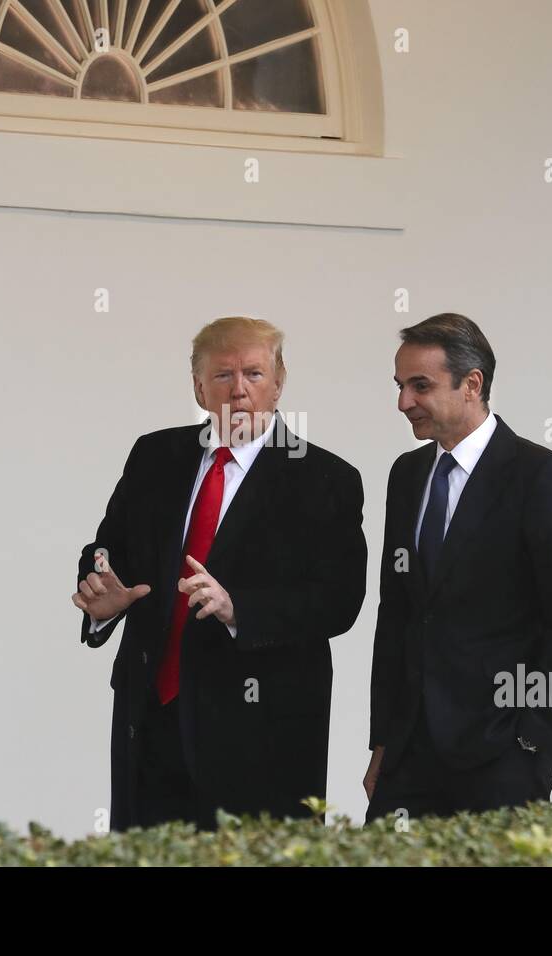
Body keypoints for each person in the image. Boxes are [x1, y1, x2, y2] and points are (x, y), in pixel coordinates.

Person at [73, 316, 366, 831]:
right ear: (198, 387)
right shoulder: (154, 455)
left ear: (279, 382)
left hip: (262, 736)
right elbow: (106, 549)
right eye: (223, 375)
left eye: (254, 373)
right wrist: (102, 592)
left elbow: (339, 599)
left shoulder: (326, 478)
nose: (240, 390)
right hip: (153, 722)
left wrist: (239, 610)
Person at [364, 313, 552, 823]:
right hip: (407, 757)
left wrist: (537, 742)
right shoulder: (406, 475)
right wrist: (382, 739)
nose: (404, 402)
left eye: (420, 385)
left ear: (472, 384)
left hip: (501, 756)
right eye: (401, 386)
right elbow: (398, 614)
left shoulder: (541, 477)